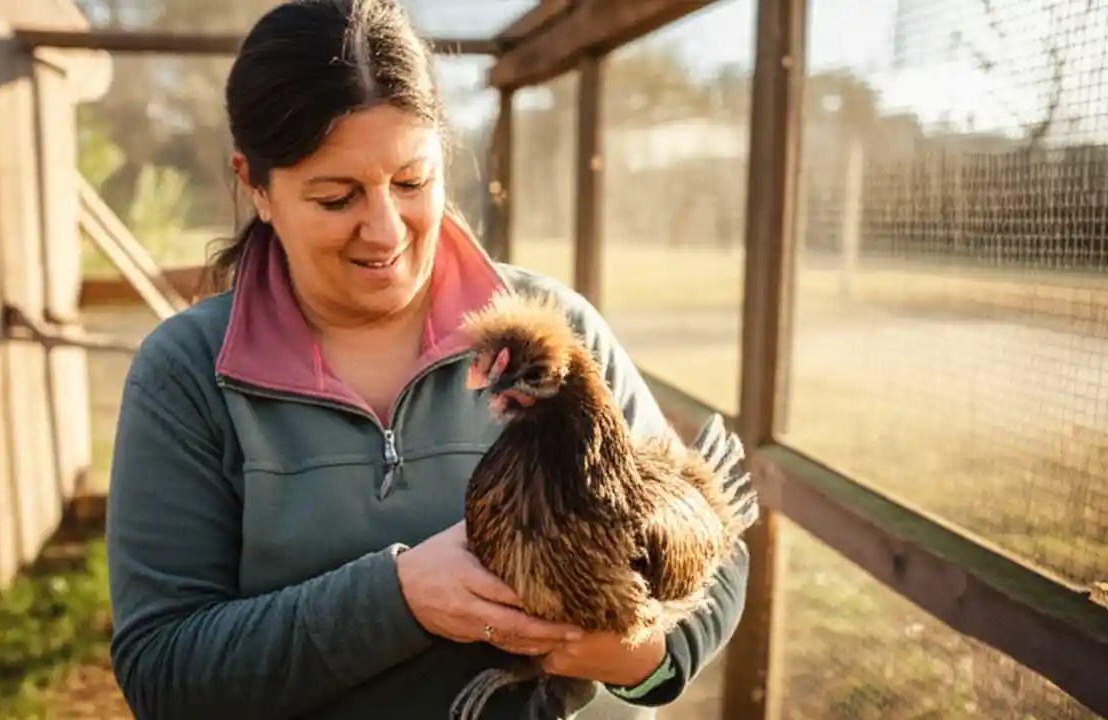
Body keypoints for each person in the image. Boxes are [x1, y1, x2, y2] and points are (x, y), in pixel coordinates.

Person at [105, 1, 751, 718]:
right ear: (255, 185)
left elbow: (708, 551)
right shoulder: (189, 374)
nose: (384, 229)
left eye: (411, 182)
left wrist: (648, 657)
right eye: (335, 196)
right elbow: (163, 670)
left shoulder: (552, 336)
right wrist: (396, 600)